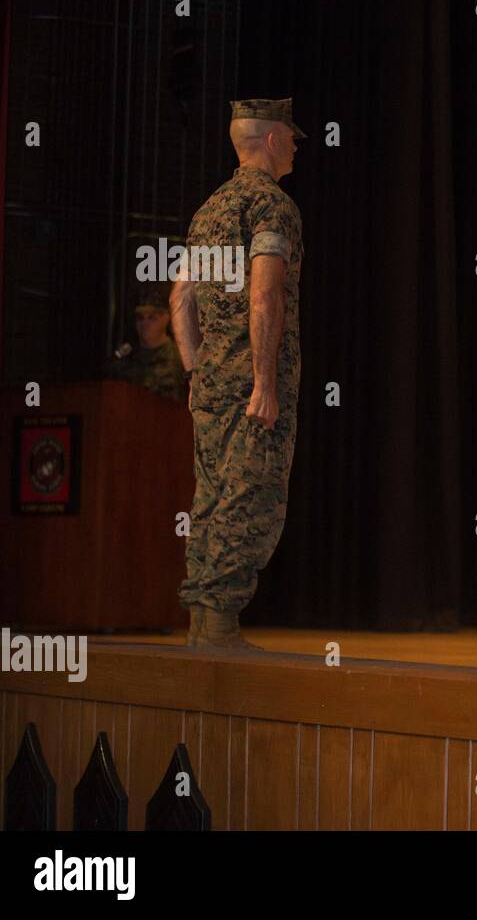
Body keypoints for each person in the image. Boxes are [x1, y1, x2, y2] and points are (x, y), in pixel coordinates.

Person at [170, 97, 306, 649]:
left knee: (211, 496)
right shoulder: (272, 206)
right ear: (272, 139)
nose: (297, 144)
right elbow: (265, 294)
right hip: (252, 384)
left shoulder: (209, 210)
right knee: (249, 498)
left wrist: (195, 370)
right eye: (292, 136)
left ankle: (204, 625)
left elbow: (180, 297)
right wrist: (265, 382)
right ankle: (220, 624)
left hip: (213, 384)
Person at [109, 282, 187, 402]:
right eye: (140, 318)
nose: (144, 324)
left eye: (151, 317)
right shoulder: (125, 357)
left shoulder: (181, 359)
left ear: (166, 318)